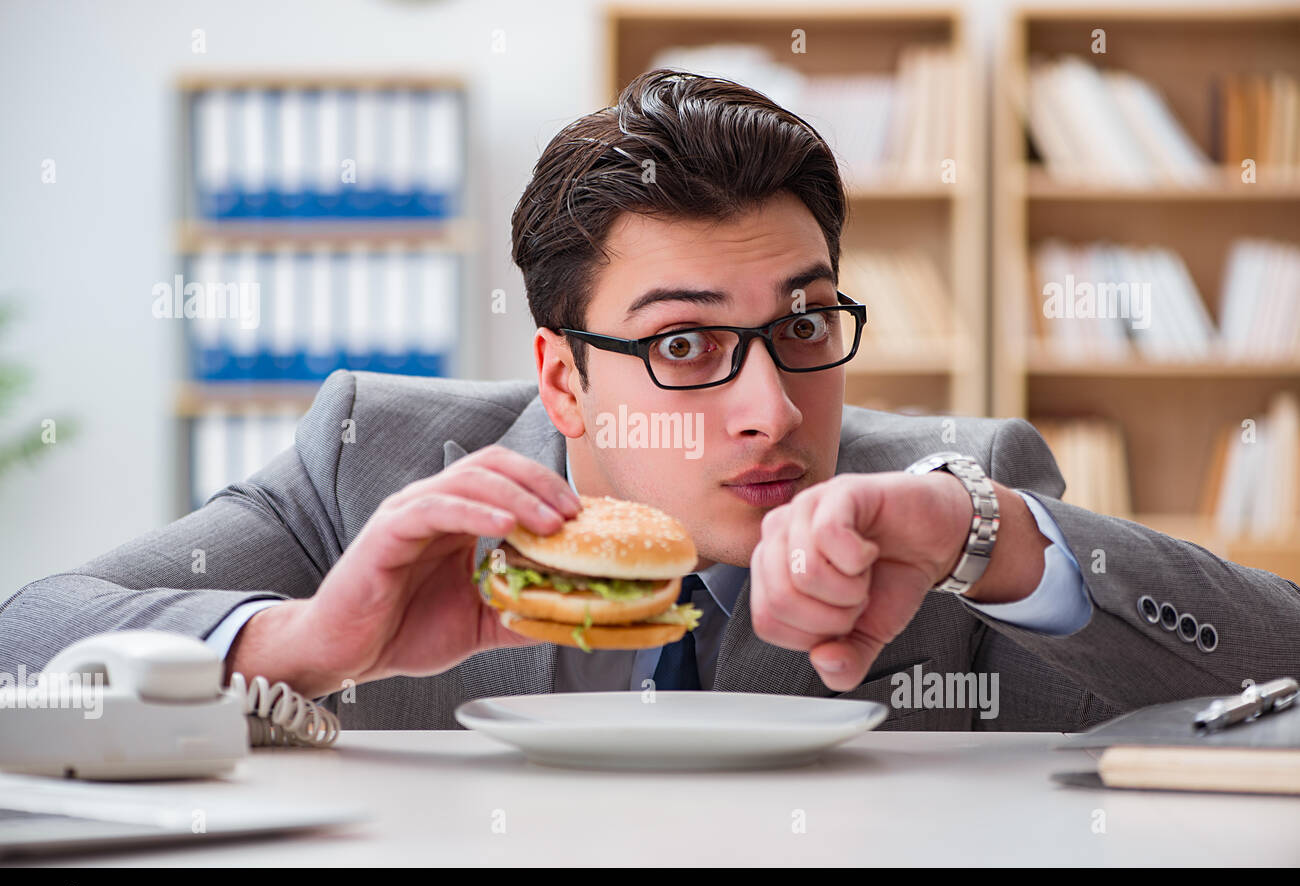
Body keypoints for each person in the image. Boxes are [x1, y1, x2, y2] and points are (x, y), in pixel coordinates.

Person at [3, 70, 1296, 732]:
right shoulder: (372, 458)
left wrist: (1000, 542)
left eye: (802, 324)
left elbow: (1279, 689)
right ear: (562, 372)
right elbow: (26, 637)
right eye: (683, 344)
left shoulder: (956, 491)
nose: (769, 410)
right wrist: (291, 647)